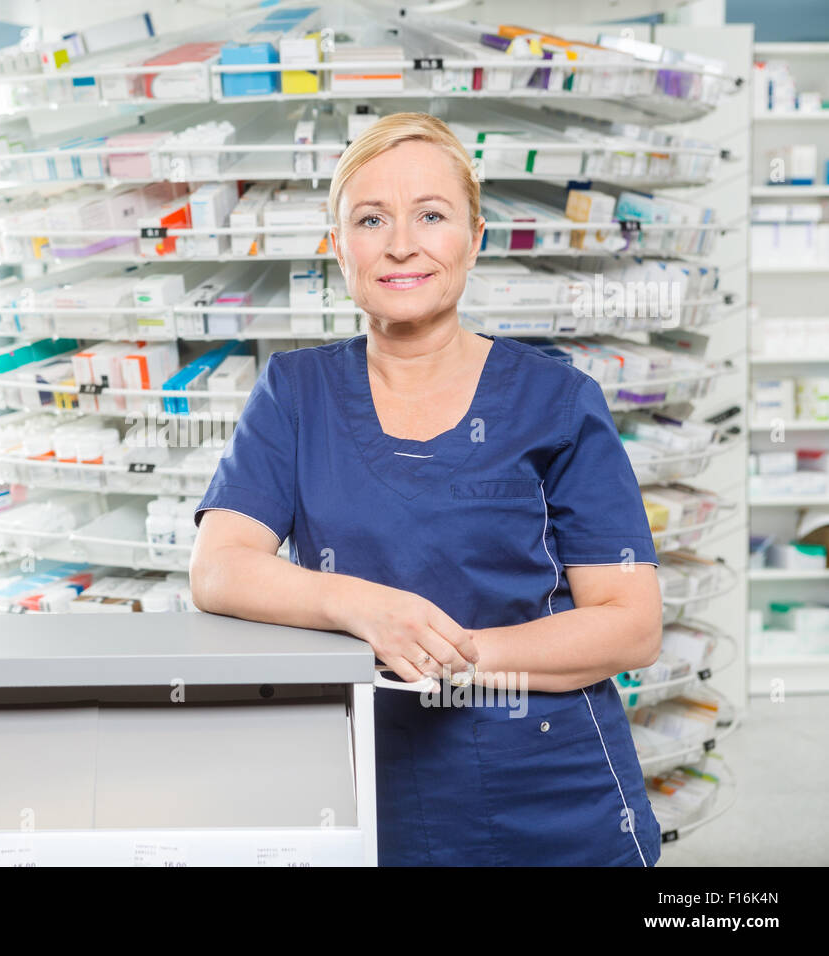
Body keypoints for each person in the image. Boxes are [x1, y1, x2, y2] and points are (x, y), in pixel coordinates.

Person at [189, 113, 665, 866]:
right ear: (339, 246)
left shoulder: (558, 400)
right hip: (365, 788)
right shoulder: (295, 392)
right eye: (371, 219)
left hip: (551, 799)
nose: (401, 244)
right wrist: (365, 606)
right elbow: (219, 567)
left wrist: (454, 654)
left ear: (474, 239)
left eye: (431, 216)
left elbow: (630, 623)